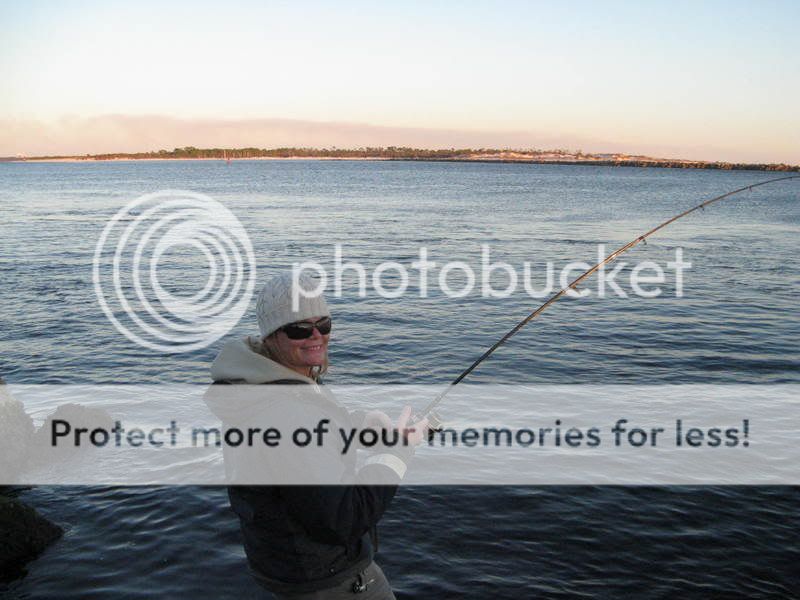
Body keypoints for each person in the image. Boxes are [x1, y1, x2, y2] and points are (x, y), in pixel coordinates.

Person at [209, 272, 426, 599]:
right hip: (329, 581)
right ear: (271, 335)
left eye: (323, 325)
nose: (315, 336)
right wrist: (396, 455)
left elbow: (297, 453)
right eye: (299, 329)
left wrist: (358, 424)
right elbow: (343, 519)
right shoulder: (287, 413)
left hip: (283, 570)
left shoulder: (260, 385)